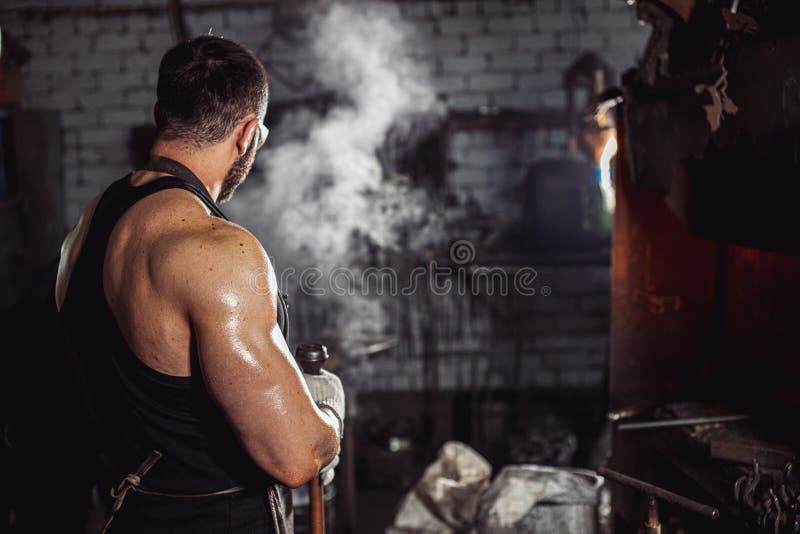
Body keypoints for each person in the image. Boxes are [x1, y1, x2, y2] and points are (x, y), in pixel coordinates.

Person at [55, 35, 344, 534]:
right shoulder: (217, 251)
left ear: (159, 115)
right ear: (248, 134)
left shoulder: (89, 223)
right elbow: (295, 457)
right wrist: (329, 416)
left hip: (123, 519)